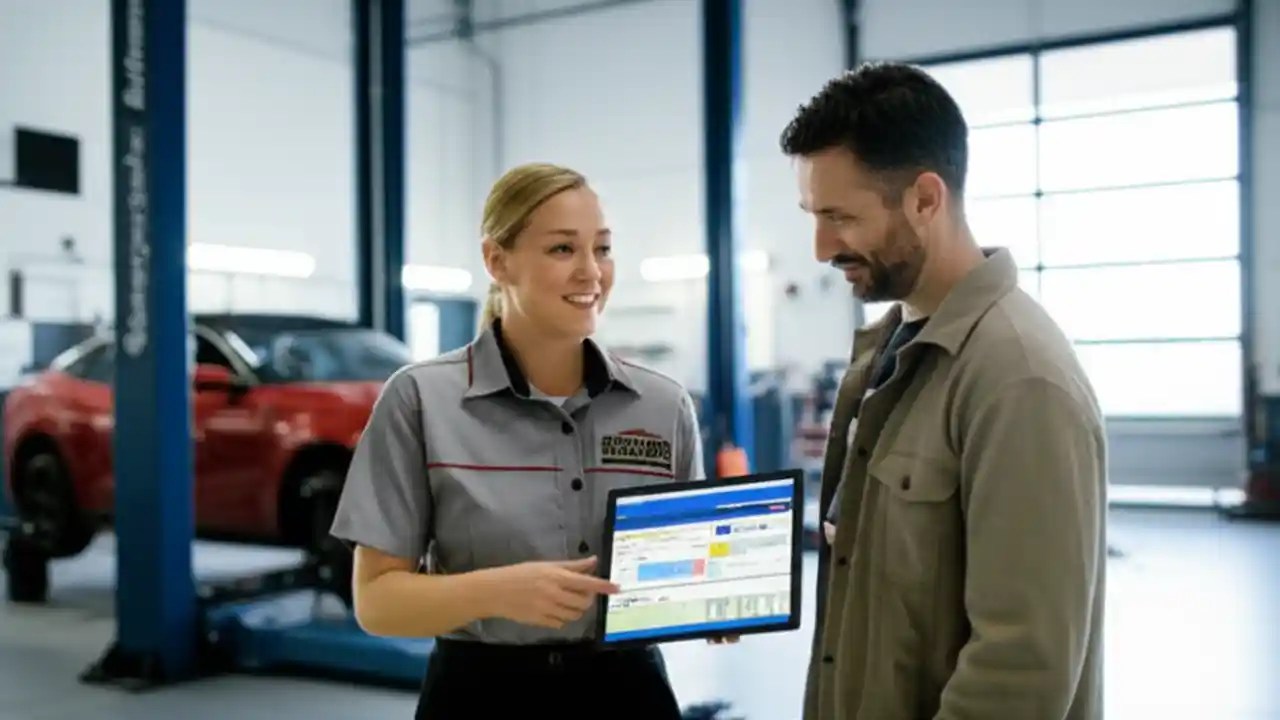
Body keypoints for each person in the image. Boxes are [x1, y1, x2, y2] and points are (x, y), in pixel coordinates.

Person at [780, 62, 1107, 719]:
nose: (820, 247)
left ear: (926, 199)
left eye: (840, 217)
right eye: (813, 216)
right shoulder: (890, 353)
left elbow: (1019, 670)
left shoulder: (1018, 379)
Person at [329, 162, 707, 719]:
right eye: (562, 250)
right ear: (496, 260)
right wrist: (498, 592)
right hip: (480, 694)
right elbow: (377, 602)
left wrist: (715, 604)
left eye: (602, 249)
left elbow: (689, 570)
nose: (591, 272)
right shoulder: (421, 401)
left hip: (630, 694)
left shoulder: (661, 405)